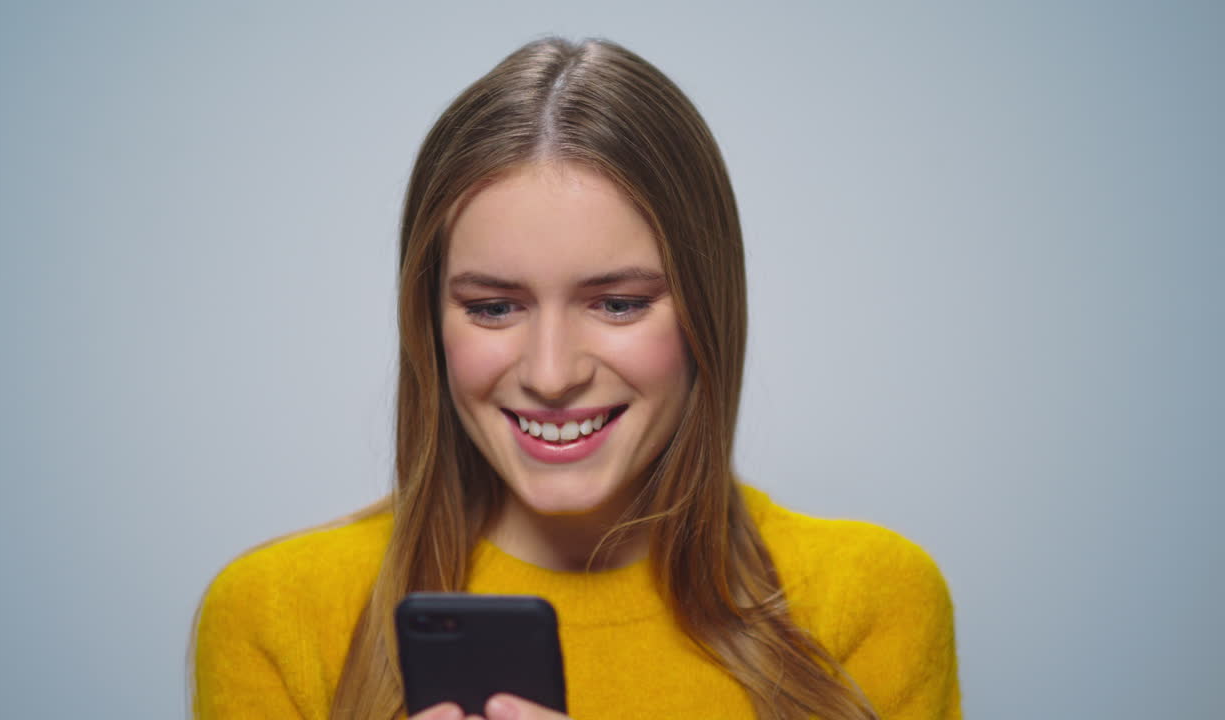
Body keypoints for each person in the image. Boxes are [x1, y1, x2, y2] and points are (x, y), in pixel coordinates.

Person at [192, 37, 961, 720]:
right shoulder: (276, 616)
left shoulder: (867, 603)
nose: (552, 374)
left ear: (707, 309)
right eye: (493, 307)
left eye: (619, 304)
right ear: (428, 322)